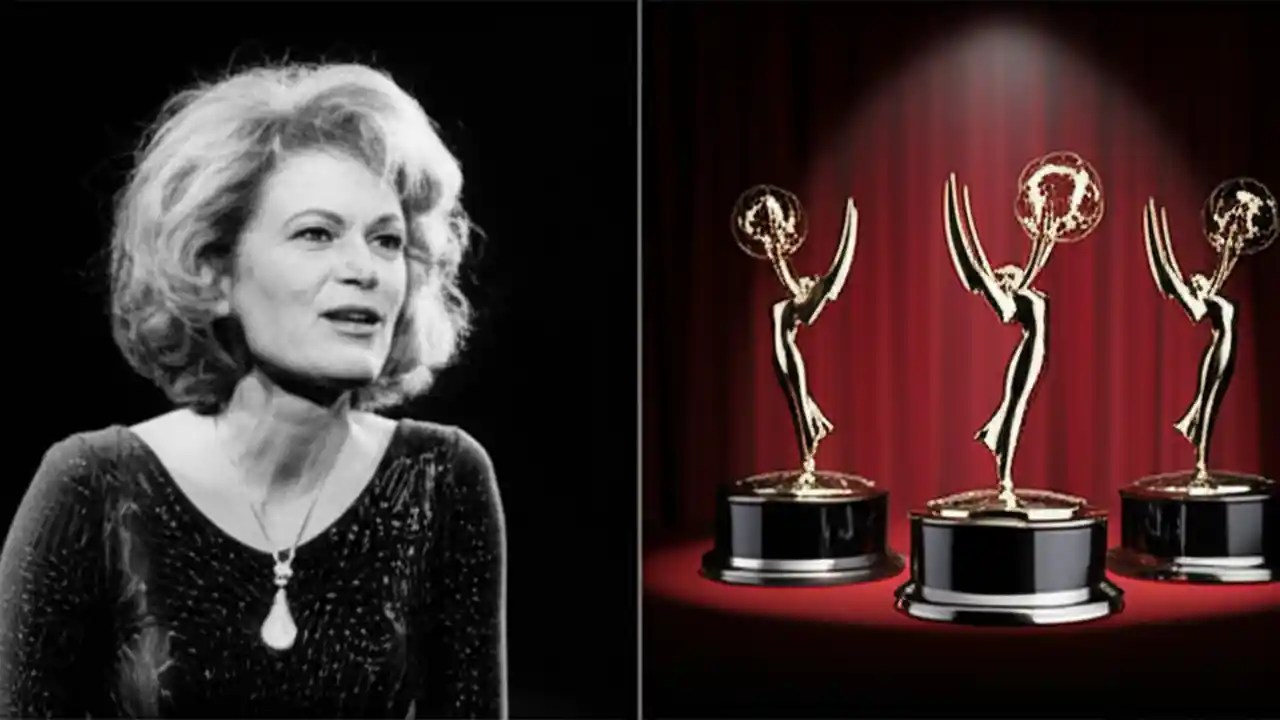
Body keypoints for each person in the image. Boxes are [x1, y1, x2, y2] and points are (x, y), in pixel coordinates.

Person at [0, 62, 507, 718]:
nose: (364, 269)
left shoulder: (443, 477)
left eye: (387, 241)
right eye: (316, 234)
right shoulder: (91, 485)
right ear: (215, 272)